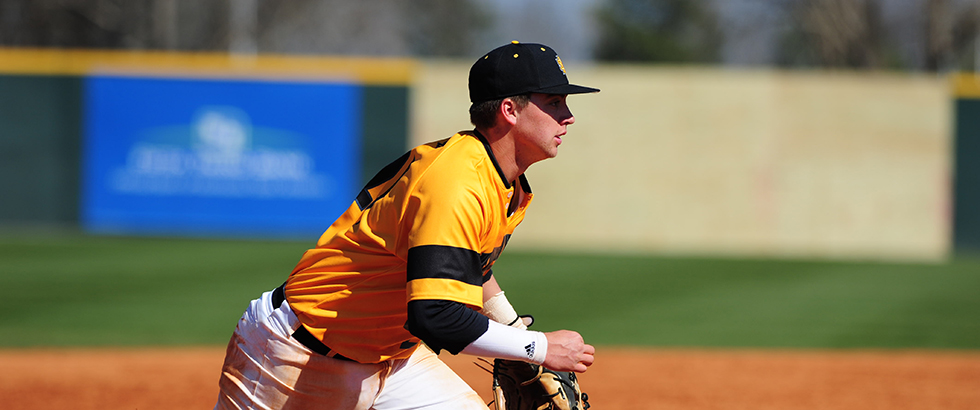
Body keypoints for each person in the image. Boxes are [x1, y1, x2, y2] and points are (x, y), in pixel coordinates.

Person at [215, 41, 599, 410]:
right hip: (300, 354)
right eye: (553, 102)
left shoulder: (500, 179)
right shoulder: (456, 182)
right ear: (510, 110)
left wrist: (513, 329)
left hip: (392, 358)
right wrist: (538, 347)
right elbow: (437, 315)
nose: (568, 116)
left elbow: (473, 268)